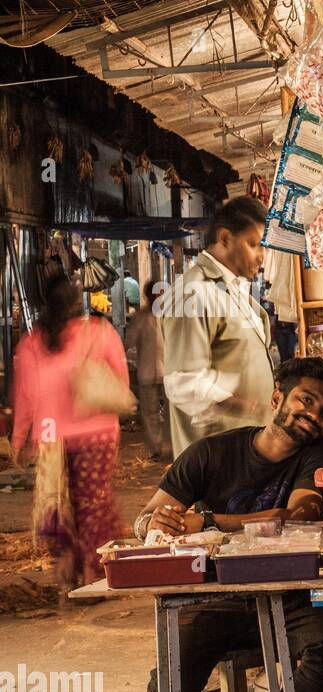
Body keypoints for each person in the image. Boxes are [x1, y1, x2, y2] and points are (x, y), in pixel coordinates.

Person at [137, 356, 323, 692]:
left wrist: (208, 523)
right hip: (219, 597)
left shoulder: (320, 456)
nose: (312, 415)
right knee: (167, 673)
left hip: (285, 596)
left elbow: (295, 519)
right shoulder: (210, 454)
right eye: (305, 400)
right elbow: (144, 521)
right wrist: (156, 522)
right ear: (278, 396)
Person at [10, 273, 129, 589]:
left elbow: (25, 396)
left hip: (50, 438)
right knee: (93, 503)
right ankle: (95, 573)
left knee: (59, 505)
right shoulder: (100, 332)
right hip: (99, 434)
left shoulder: (32, 343)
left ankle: (69, 568)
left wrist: (18, 439)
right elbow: (120, 381)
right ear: (78, 301)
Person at [158, 195, 273, 456]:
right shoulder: (194, 293)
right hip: (219, 456)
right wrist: (241, 405)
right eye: (254, 245)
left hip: (250, 447)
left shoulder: (233, 290)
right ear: (224, 239)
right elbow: (183, 383)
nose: (261, 257)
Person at [125, 277, 171, 462]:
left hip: (166, 372)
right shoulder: (143, 317)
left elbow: (129, 342)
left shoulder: (169, 316)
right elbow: (129, 342)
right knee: (151, 413)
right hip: (150, 372)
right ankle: (156, 448)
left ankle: (166, 446)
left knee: (168, 412)